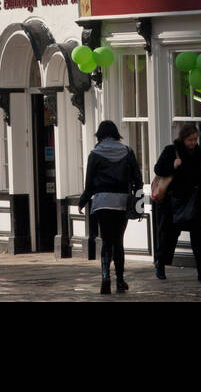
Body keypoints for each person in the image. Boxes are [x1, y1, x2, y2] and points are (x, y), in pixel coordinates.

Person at [78, 121, 142, 295]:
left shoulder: (94, 154)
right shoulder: (128, 152)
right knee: (118, 241)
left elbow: (89, 184)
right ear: (116, 134)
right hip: (121, 202)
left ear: (99, 134)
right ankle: (120, 281)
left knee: (106, 241)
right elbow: (138, 179)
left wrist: (82, 201)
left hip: (102, 202)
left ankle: (105, 275)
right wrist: (138, 203)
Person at [153, 123, 201, 282]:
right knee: (168, 236)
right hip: (174, 201)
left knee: (199, 238)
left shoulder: (200, 153)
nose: (193, 143)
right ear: (182, 139)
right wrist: (172, 166)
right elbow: (158, 169)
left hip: (195, 200)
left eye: (195, 139)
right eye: (190, 140)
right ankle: (160, 265)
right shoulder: (171, 151)